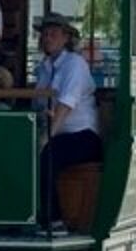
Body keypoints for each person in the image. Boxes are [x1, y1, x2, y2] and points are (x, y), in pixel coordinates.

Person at [32, 13, 100, 233]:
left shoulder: (75, 64)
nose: (47, 38)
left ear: (66, 38)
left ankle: (54, 221)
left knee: (48, 154)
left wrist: (45, 137)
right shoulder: (44, 67)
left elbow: (65, 105)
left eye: (53, 34)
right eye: (44, 34)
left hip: (84, 136)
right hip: (57, 133)